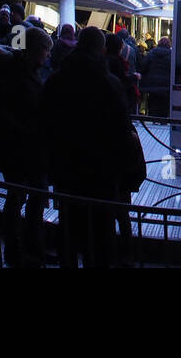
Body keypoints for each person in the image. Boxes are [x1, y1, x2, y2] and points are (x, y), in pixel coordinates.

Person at [40, 27, 134, 266]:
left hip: (66, 168)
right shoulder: (109, 83)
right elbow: (121, 128)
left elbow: (45, 122)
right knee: (100, 233)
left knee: (68, 227)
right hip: (101, 172)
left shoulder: (56, 80)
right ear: (101, 50)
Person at [0, 26, 52, 267]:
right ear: (35, 50)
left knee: (29, 197)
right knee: (21, 198)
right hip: (17, 147)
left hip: (25, 147)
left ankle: (30, 248)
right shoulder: (14, 72)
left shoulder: (17, 70)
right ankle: (19, 250)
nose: (48, 55)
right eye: (45, 50)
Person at [139, 35, 172, 116]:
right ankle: (163, 120)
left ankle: (152, 118)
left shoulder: (151, 53)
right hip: (166, 86)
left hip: (152, 86)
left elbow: (144, 67)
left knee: (153, 106)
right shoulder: (171, 55)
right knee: (164, 107)